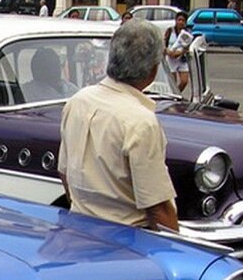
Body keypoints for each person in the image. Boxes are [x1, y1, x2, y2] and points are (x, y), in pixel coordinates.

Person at [58, 20, 178, 232]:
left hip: (78, 231)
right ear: (153, 70)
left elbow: (65, 175)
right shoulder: (141, 121)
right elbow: (157, 208)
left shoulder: (77, 102)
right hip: (128, 241)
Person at [164, 10, 192, 93]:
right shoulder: (170, 31)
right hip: (170, 59)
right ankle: (173, 95)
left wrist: (180, 53)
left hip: (181, 59)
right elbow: (164, 44)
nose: (181, 22)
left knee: (184, 81)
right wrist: (168, 52)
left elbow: (187, 47)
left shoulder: (187, 33)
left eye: (183, 20)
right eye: (179, 20)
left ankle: (177, 93)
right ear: (176, 21)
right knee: (172, 82)